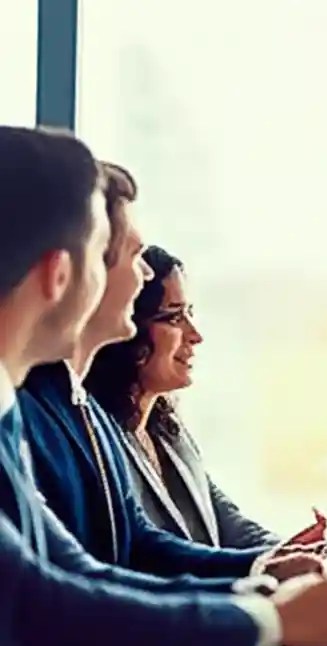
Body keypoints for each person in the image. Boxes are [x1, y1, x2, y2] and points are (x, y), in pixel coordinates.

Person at [0, 125, 327, 646]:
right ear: (58, 275)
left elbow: (77, 569)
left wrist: (257, 583)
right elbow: (34, 612)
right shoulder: (26, 409)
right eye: (105, 253)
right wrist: (271, 618)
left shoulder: (19, 410)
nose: (140, 278)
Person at [19, 162, 311, 582]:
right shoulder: (27, 413)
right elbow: (72, 590)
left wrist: (265, 568)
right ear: (67, 270)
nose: (146, 273)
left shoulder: (82, 407)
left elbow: (139, 544)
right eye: (132, 255)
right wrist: (262, 612)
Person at [84, 245, 276, 548]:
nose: (196, 334)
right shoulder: (98, 437)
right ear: (130, 329)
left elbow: (222, 517)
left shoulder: (165, 425)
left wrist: (290, 552)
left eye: (190, 313)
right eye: (174, 318)